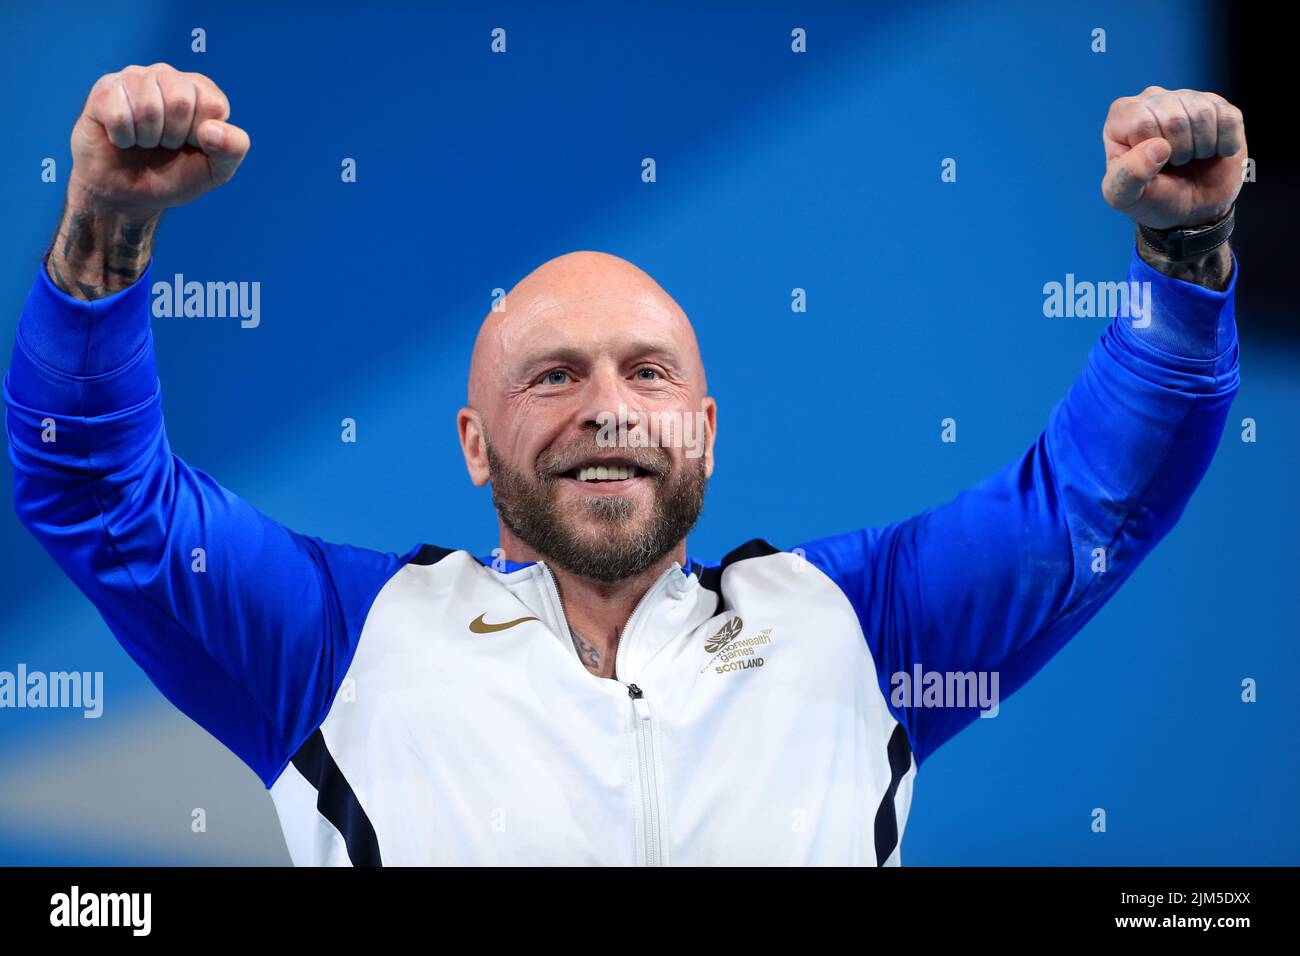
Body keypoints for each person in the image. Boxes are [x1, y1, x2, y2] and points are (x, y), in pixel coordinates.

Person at [5, 63, 1244, 865]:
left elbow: (1100, 499)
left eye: (647, 374)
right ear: (474, 447)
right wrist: (107, 228)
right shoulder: (332, 640)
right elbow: (98, 490)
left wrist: (1186, 252)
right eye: (553, 376)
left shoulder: (862, 628)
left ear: (705, 428)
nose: (608, 410)